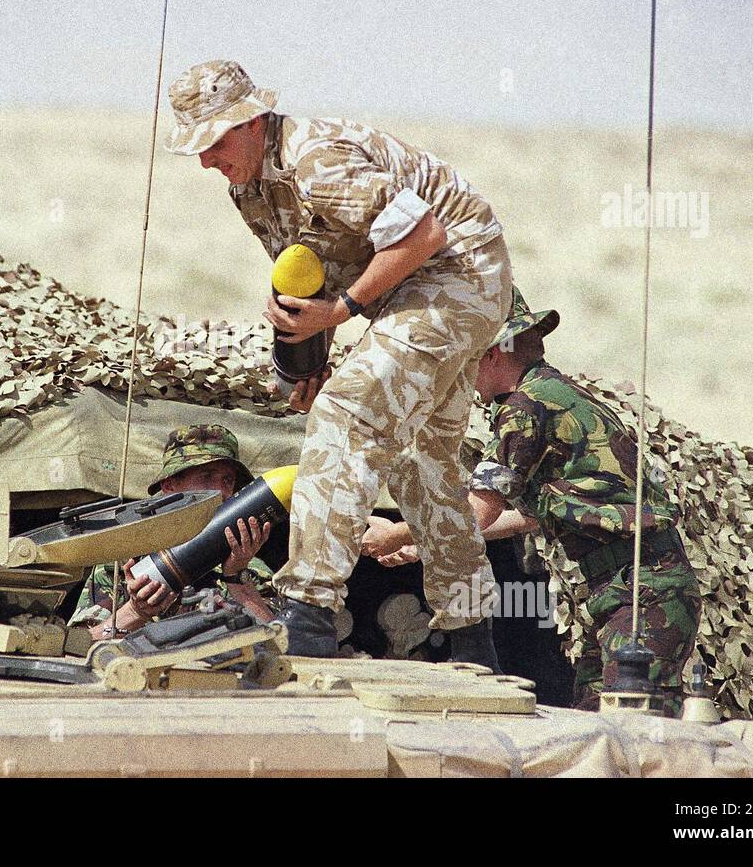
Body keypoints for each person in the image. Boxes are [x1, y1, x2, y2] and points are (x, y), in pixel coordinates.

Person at [165, 60, 512, 665]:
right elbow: (305, 272)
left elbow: (424, 234)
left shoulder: (316, 162)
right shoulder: (250, 186)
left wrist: (345, 311)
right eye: (197, 147)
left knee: (347, 415)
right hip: (411, 291)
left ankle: (308, 611)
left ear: (252, 122)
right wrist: (307, 359)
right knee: (418, 456)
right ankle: (471, 632)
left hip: (456, 275)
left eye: (215, 142)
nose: (206, 160)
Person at [463, 288, 701, 715]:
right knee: (596, 721)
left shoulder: (527, 406)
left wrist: (403, 534)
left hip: (642, 590)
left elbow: (479, 512)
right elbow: (529, 518)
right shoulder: (553, 394)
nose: (462, 376)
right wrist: (417, 545)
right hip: (623, 589)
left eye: (465, 359)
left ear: (493, 353)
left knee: (632, 731)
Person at [68, 425, 277, 639]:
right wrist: (135, 612)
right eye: (206, 476)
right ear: (169, 485)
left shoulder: (248, 571)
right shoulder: (123, 564)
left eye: (227, 480)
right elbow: (81, 644)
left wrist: (238, 581)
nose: (221, 491)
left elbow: (281, 647)